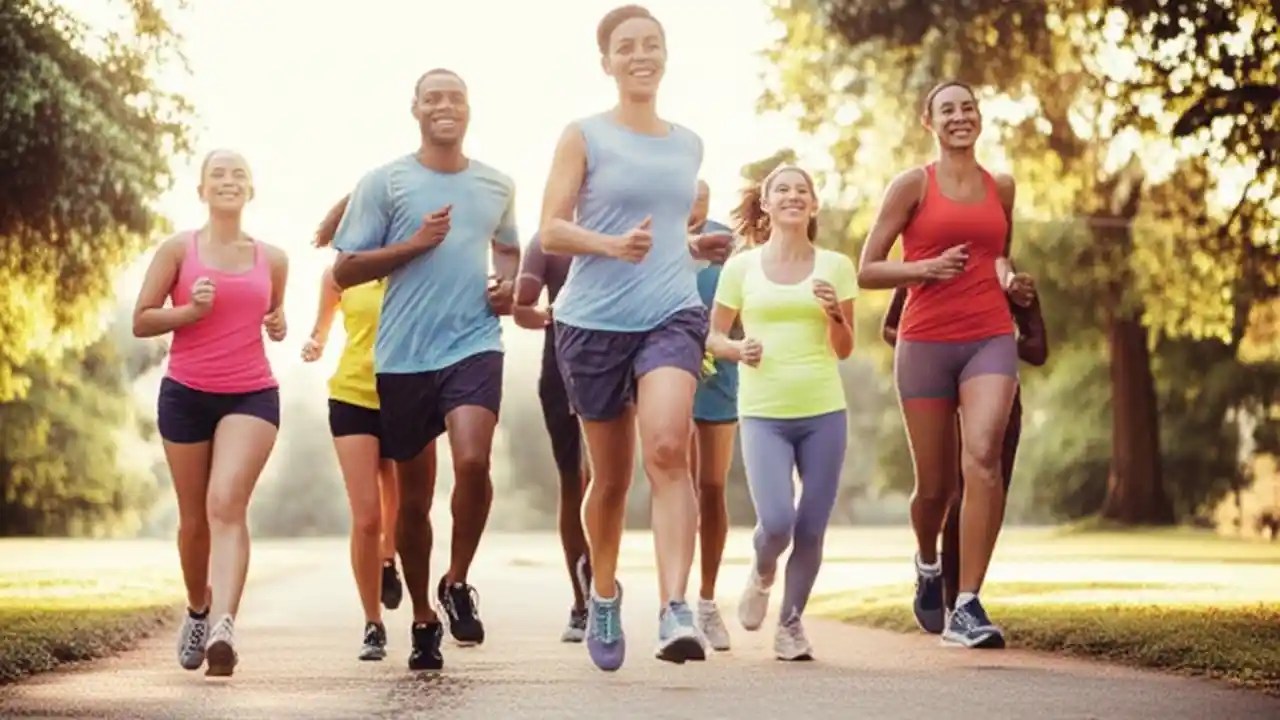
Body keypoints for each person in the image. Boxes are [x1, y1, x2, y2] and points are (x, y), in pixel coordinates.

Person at [538, 4, 734, 671]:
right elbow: (551, 230)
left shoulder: (688, 143)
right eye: (627, 46)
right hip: (591, 321)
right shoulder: (584, 134)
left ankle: (675, 607)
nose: (641, 54)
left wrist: (687, 245)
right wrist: (611, 246)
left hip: (671, 313)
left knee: (669, 447)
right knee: (612, 479)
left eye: (652, 44)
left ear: (665, 55)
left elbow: (660, 225)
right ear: (608, 61)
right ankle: (603, 591)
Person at [329, 68, 520, 671]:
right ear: (415, 109)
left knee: (471, 459)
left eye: (455, 96)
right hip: (403, 356)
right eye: (433, 97)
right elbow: (346, 269)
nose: (445, 105)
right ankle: (421, 619)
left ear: (470, 109)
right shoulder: (384, 183)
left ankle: (456, 581)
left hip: (473, 342)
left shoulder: (497, 183)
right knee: (412, 504)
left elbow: (509, 247)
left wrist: (508, 286)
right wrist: (412, 245)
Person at [857, 80, 1035, 649]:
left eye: (968, 108)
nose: (960, 117)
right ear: (928, 121)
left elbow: (999, 252)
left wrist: (1010, 281)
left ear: (980, 118)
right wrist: (922, 272)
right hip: (926, 340)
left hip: (989, 335)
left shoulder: (999, 186)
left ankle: (968, 603)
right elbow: (866, 268)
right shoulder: (913, 184)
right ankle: (928, 562)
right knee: (933, 488)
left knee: (982, 459)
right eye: (948, 109)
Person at [131, 149, 289, 677]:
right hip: (186, 392)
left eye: (239, 173)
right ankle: (198, 609)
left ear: (251, 189)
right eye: (217, 174)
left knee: (226, 502)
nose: (229, 181)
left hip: (252, 393)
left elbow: (273, 310)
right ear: (201, 190)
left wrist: (279, 324)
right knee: (194, 519)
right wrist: (190, 312)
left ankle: (224, 625)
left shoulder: (274, 258)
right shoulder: (179, 249)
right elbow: (142, 320)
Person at [707, 164, 857, 661]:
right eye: (782, 190)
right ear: (766, 205)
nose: (793, 196)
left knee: (811, 526)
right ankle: (762, 570)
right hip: (763, 413)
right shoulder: (741, 267)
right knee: (776, 521)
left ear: (813, 205)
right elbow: (711, 336)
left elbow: (845, 348)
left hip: (823, 411)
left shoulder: (835, 265)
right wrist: (736, 350)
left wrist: (835, 312)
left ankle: (791, 624)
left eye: (802, 190)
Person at [301, 194, 435, 661]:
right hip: (351, 395)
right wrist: (314, 343)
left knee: (397, 514)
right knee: (366, 516)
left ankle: (388, 559)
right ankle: (372, 624)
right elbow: (321, 328)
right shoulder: (339, 273)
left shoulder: (410, 266)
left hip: (402, 396)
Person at [881, 281, 1047, 615]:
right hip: (941, 393)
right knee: (944, 492)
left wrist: (994, 344)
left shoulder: (1012, 282)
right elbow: (889, 328)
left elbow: (1038, 350)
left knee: (987, 491)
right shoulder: (927, 265)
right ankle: (940, 581)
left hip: (998, 398)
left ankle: (965, 601)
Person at [513, 232, 593, 642]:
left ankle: (603, 588)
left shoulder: (621, 226)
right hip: (560, 369)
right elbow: (521, 308)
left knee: (605, 479)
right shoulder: (545, 240)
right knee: (573, 481)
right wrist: (551, 313)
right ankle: (582, 604)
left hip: (615, 362)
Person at [686, 179, 737, 652]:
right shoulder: (654, 236)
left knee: (713, 487)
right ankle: (676, 602)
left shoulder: (729, 243)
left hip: (720, 376)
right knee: (674, 482)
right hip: (667, 369)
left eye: (702, 190)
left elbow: (747, 306)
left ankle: (707, 599)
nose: (695, 196)